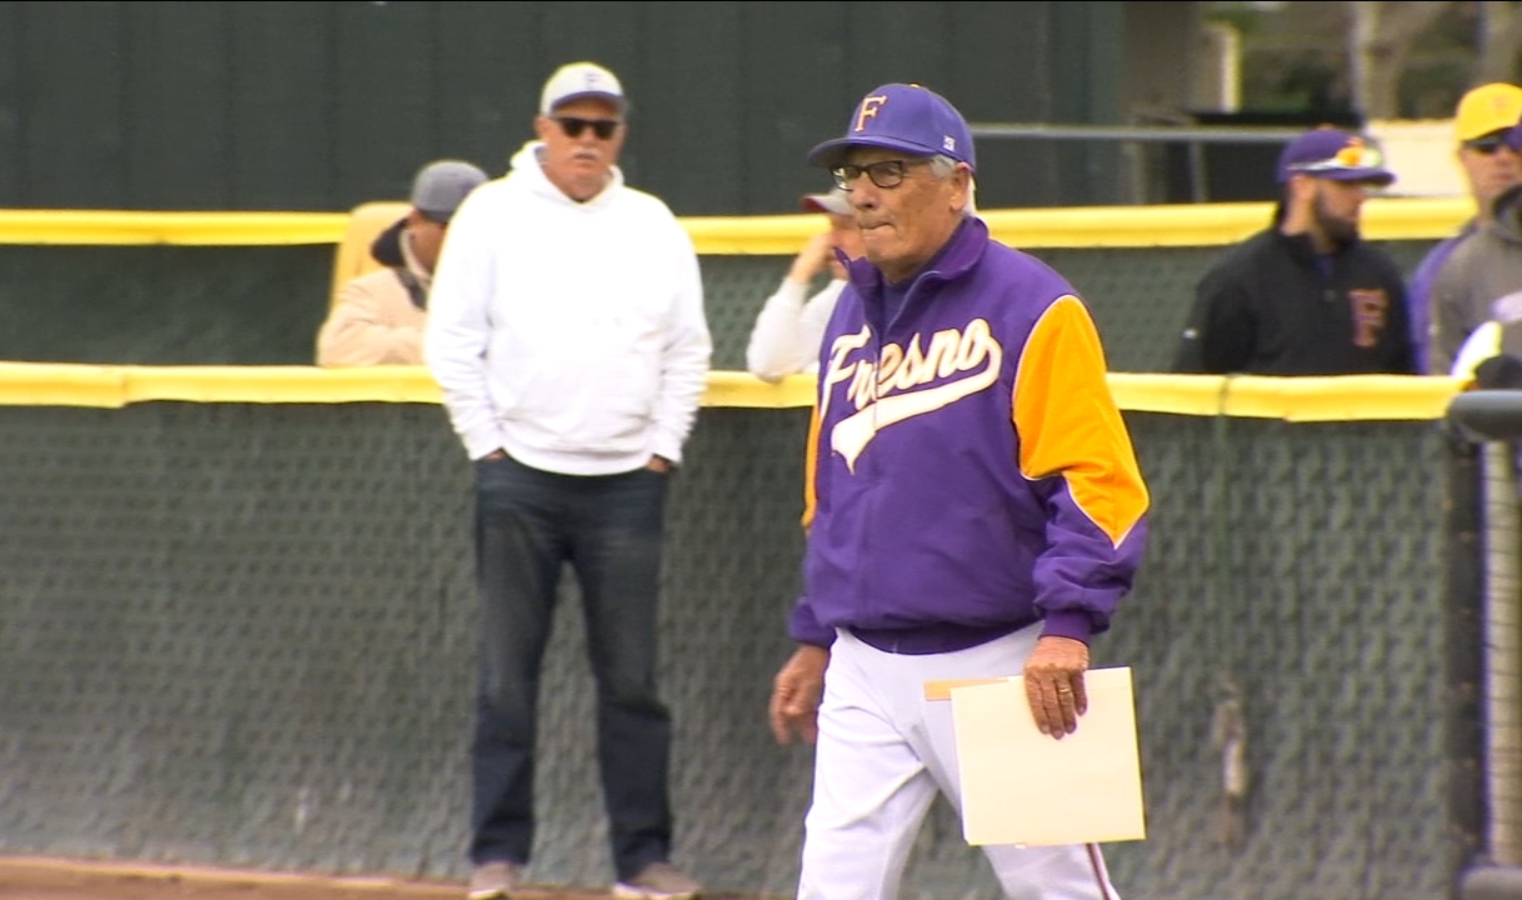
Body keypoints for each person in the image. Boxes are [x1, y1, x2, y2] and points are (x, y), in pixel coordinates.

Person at [767, 82, 1151, 900]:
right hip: (864, 666)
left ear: (958, 182)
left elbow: (1097, 483)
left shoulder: (1034, 306)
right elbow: (830, 492)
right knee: (832, 888)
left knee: (1060, 891)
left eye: (891, 171)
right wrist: (815, 633)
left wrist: (1069, 627)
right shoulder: (850, 312)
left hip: (1001, 663)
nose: (864, 193)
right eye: (854, 175)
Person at [421, 61, 712, 900]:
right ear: (543, 128)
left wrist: (662, 449)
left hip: (628, 484)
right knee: (507, 680)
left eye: (603, 127)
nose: (588, 141)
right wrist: (489, 448)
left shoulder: (653, 223)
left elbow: (687, 347)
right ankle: (497, 859)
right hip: (519, 482)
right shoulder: (490, 214)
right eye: (572, 125)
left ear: (620, 134)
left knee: (633, 685)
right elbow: (453, 339)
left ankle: (642, 862)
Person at [1169, 127, 1415, 376]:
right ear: (1302, 186)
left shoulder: (1379, 272)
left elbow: (1403, 373)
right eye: (1346, 184)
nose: (1360, 197)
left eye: (1363, 185)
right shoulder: (1241, 277)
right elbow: (1197, 382)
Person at [315, 160, 488, 366]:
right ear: (416, 221)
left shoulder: (513, 282)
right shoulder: (370, 291)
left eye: (477, 226)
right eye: (449, 226)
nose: (464, 237)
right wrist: (457, 343)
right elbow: (339, 349)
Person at [1406, 83, 1522, 372]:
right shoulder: (1450, 267)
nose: (1503, 157)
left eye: (1516, 144)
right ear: (1462, 158)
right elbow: (1436, 373)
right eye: (1487, 146)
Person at [1429, 118, 1522, 376]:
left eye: (1509, 149)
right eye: (1487, 147)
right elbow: (1444, 381)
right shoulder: (1463, 266)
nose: (1502, 159)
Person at [744, 191, 862, 381]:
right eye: (832, 226)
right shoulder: (838, 296)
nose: (831, 241)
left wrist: (816, 370)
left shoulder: (919, 295)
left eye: (845, 227)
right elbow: (768, 365)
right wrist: (798, 277)